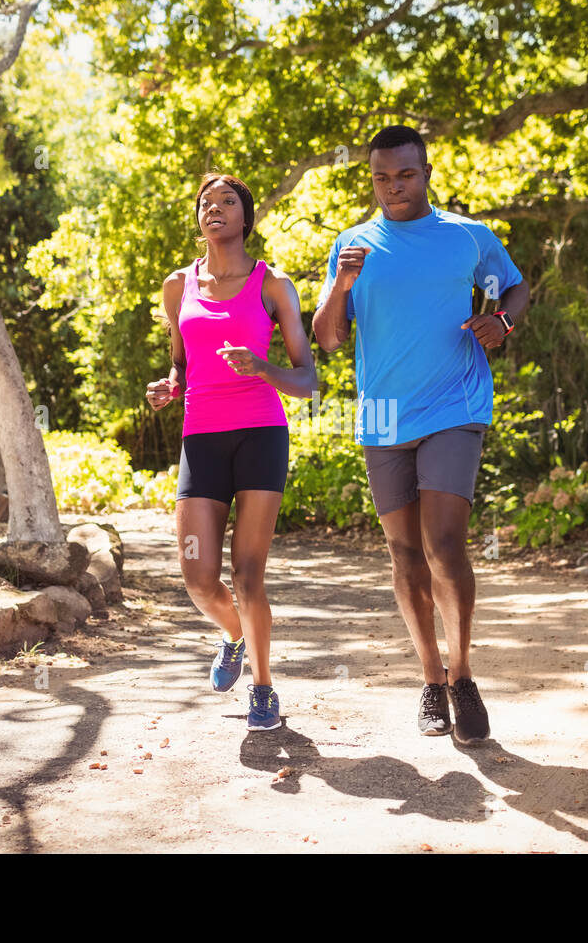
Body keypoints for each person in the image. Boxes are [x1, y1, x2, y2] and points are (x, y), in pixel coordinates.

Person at [312, 125, 530, 744]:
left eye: (405, 176)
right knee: (404, 556)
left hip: (454, 405)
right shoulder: (352, 244)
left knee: (443, 546)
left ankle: (463, 677)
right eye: (382, 178)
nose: (393, 188)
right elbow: (327, 337)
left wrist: (504, 320)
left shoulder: (467, 237)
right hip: (381, 417)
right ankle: (431, 681)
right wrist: (342, 285)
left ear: (426, 172)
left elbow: (515, 285)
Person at [146, 172, 317, 731]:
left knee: (248, 575)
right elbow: (181, 361)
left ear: (245, 218)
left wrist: (264, 367)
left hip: (261, 433)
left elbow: (307, 378)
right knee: (198, 578)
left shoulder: (274, 286)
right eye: (205, 202)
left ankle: (264, 689)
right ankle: (234, 634)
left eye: (226, 202)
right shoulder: (178, 286)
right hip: (202, 437)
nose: (214, 208)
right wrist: (170, 385)